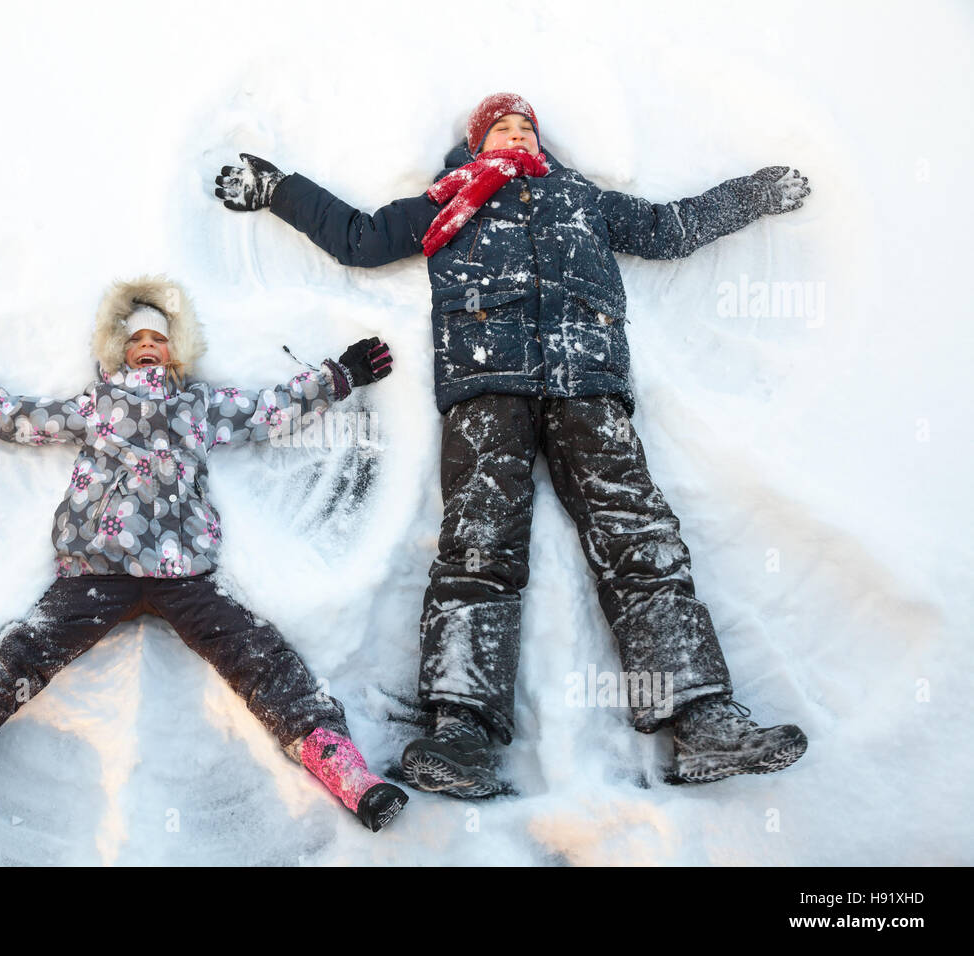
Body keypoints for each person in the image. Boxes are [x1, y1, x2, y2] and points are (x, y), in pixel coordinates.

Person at [213, 92, 811, 796]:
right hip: (485, 388)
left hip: (587, 383)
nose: (517, 132)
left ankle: (703, 718)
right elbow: (359, 237)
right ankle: (460, 731)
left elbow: (670, 227)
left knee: (639, 539)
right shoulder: (448, 198)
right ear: (475, 142)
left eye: (526, 124)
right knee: (478, 547)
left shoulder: (580, 198)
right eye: (502, 124)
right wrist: (278, 190)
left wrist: (755, 193)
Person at [0, 274, 407, 831]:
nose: (146, 348)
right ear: (115, 352)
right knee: (15, 660)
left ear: (177, 350)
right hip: (96, 571)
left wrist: (340, 377)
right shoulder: (97, 404)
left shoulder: (199, 404)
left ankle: (342, 768)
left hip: (184, 575)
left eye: (158, 339)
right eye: (134, 340)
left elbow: (270, 409)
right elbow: (23, 419)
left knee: (260, 657)